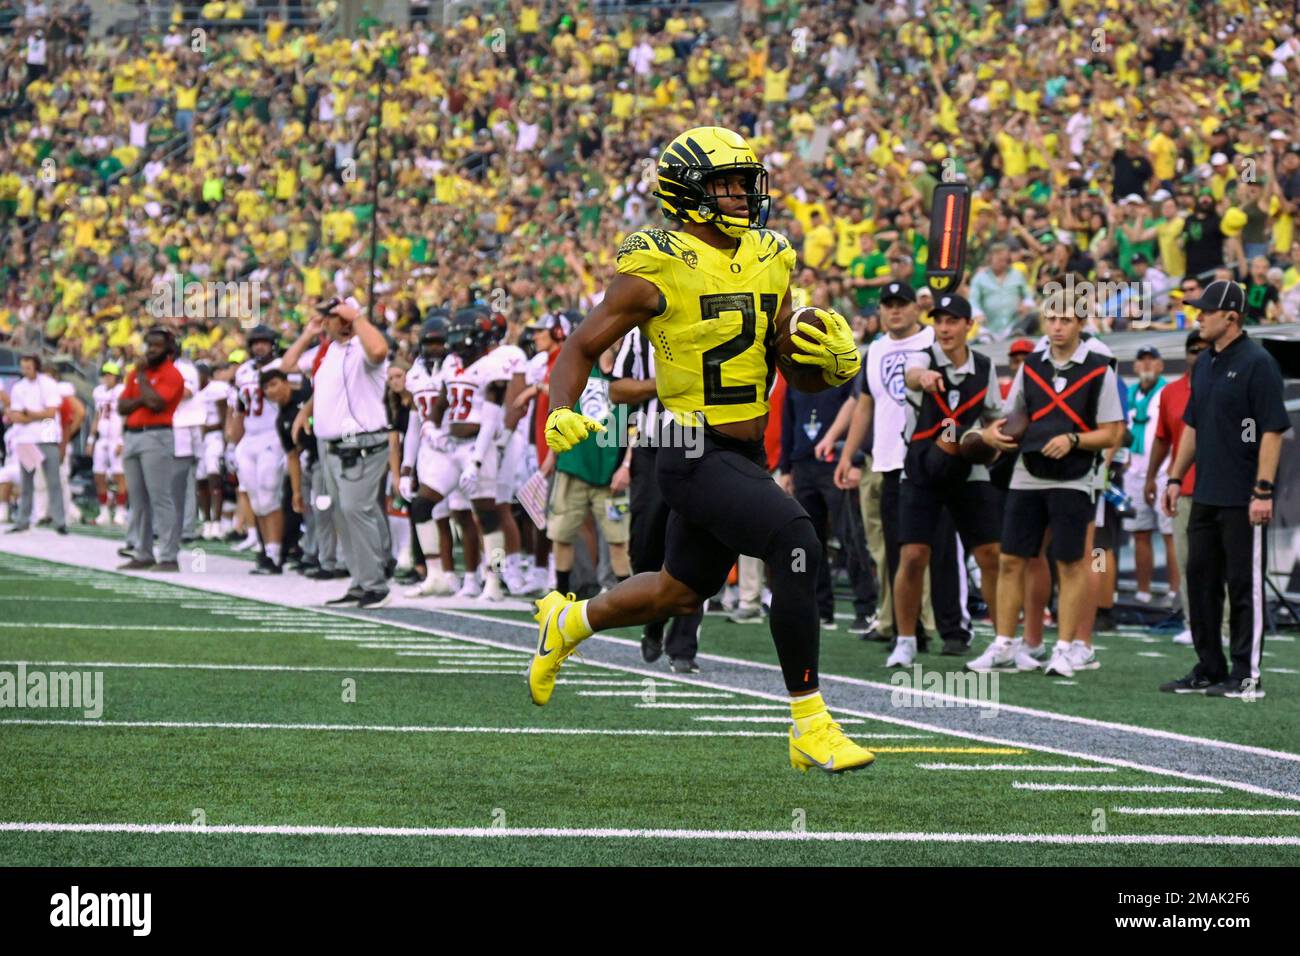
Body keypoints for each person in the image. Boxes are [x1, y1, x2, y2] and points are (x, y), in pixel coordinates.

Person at [527, 126, 875, 773]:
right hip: (687, 445)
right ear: (686, 192)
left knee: (679, 592)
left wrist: (822, 364)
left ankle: (566, 623)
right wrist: (565, 411)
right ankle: (810, 723)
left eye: (745, 182)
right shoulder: (654, 264)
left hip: (742, 452)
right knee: (795, 540)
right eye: (725, 184)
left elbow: (780, 361)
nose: (742, 195)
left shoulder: (773, 254)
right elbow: (579, 348)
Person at [968, 300, 1124, 676]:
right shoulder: (1031, 367)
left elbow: (1114, 431)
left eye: (1066, 320)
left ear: (1080, 323)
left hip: (1076, 475)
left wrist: (1073, 439)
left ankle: (1067, 648)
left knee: (1071, 561)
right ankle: (1006, 642)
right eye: (1052, 319)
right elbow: (1013, 415)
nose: (1057, 327)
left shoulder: (1100, 368)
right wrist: (990, 434)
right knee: (1012, 558)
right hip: (1027, 471)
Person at [1161, 280, 1290, 699]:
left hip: (1242, 495)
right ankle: (1210, 666)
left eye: (1205, 311)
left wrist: (1263, 490)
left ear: (1231, 316)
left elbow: (1271, 430)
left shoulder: (1258, 362)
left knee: (1243, 585)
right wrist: (1176, 478)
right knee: (1199, 580)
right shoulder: (1206, 364)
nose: (1197, 316)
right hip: (1204, 494)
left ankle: (1246, 674)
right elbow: (1193, 427)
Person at [889, 293, 1004, 667]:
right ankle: (905, 638)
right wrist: (924, 377)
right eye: (939, 321)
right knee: (913, 554)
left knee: (990, 553)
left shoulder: (984, 367)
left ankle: (1003, 641)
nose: (944, 328)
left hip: (969, 468)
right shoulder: (924, 356)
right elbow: (912, 373)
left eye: (953, 321)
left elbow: (993, 420)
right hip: (922, 465)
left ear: (968, 325)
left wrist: (991, 443)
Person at [611, 323, 704, 665]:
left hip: (699, 444)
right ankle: (653, 618)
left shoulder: (711, 323)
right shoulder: (638, 334)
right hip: (652, 445)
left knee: (694, 541)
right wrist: (664, 384)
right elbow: (617, 390)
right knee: (646, 541)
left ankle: (683, 647)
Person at [304, 298, 394, 608]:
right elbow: (291, 366)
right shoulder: (332, 352)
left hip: (362, 443)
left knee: (358, 509)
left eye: (331, 317)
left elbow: (380, 351)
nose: (325, 322)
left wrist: (357, 318)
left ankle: (376, 584)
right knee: (343, 513)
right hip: (334, 445)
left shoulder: (362, 349)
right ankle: (360, 581)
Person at [1145, 331, 1208, 646]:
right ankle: (1192, 622)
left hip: (1221, 487)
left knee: (1219, 561)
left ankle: (1224, 626)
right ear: (1186, 354)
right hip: (1181, 486)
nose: (1199, 354)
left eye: (1204, 349)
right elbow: (1162, 438)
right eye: (1193, 350)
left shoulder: (1231, 383)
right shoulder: (1170, 392)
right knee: (1187, 560)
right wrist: (1151, 476)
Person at [117, 328, 185, 570]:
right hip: (133, 436)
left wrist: (143, 381)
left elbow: (156, 404)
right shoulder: (135, 373)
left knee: (160, 497)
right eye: (149, 345)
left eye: (156, 346)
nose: (151, 350)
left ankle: (168, 555)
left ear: (168, 349)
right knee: (138, 499)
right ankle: (143, 552)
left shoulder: (172, 374)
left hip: (157, 435)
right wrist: (141, 397)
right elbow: (122, 406)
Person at [231, 325, 287, 573]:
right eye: (255, 343)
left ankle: (276, 552)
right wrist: (233, 443)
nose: (259, 347)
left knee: (268, 494)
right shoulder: (243, 371)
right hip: (250, 438)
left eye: (264, 342)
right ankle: (266, 549)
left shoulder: (285, 366)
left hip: (272, 435)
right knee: (255, 497)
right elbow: (239, 410)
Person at [1123, 346, 1176, 607]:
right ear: (1134, 367)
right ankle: (1142, 591)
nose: (1146, 364)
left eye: (1151, 359)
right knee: (1139, 532)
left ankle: (1175, 591)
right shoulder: (1128, 395)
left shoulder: (1168, 392)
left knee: (1171, 533)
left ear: (1161, 365)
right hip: (1132, 473)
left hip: (1164, 472)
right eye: (1141, 360)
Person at [5, 355, 67, 535]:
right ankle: (23, 520)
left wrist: (28, 414)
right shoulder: (19, 387)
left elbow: (51, 413)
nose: (25, 371)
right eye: (23, 367)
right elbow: (15, 415)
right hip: (26, 436)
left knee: (53, 479)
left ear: (36, 367)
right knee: (27, 481)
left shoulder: (48, 384)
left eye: (28, 367)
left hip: (47, 431)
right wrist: (34, 415)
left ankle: (59, 520)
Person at [264, 367, 313, 577]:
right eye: (265, 388)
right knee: (310, 511)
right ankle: (312, 555)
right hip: (309, 461)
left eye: (274, 384)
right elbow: (292, 456)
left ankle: (331, 559)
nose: (270, 391)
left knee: (327, 510)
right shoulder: (281, 419)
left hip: (327, 453)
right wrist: (296, 492)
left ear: (286, 382)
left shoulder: (305, 395)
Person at [88, 361, 126, 527]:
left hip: (116, 438)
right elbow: (97, 416)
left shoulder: (122, 391)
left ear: (116, 377)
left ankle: (120, 512)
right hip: (102, 439)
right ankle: (104, 512)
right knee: (99, 475)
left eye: (109, 375)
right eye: (104, 375)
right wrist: (91, 439)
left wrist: (122, 440)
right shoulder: (99, 392)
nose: (106, 378)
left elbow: (126, 416)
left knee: (119, 476)